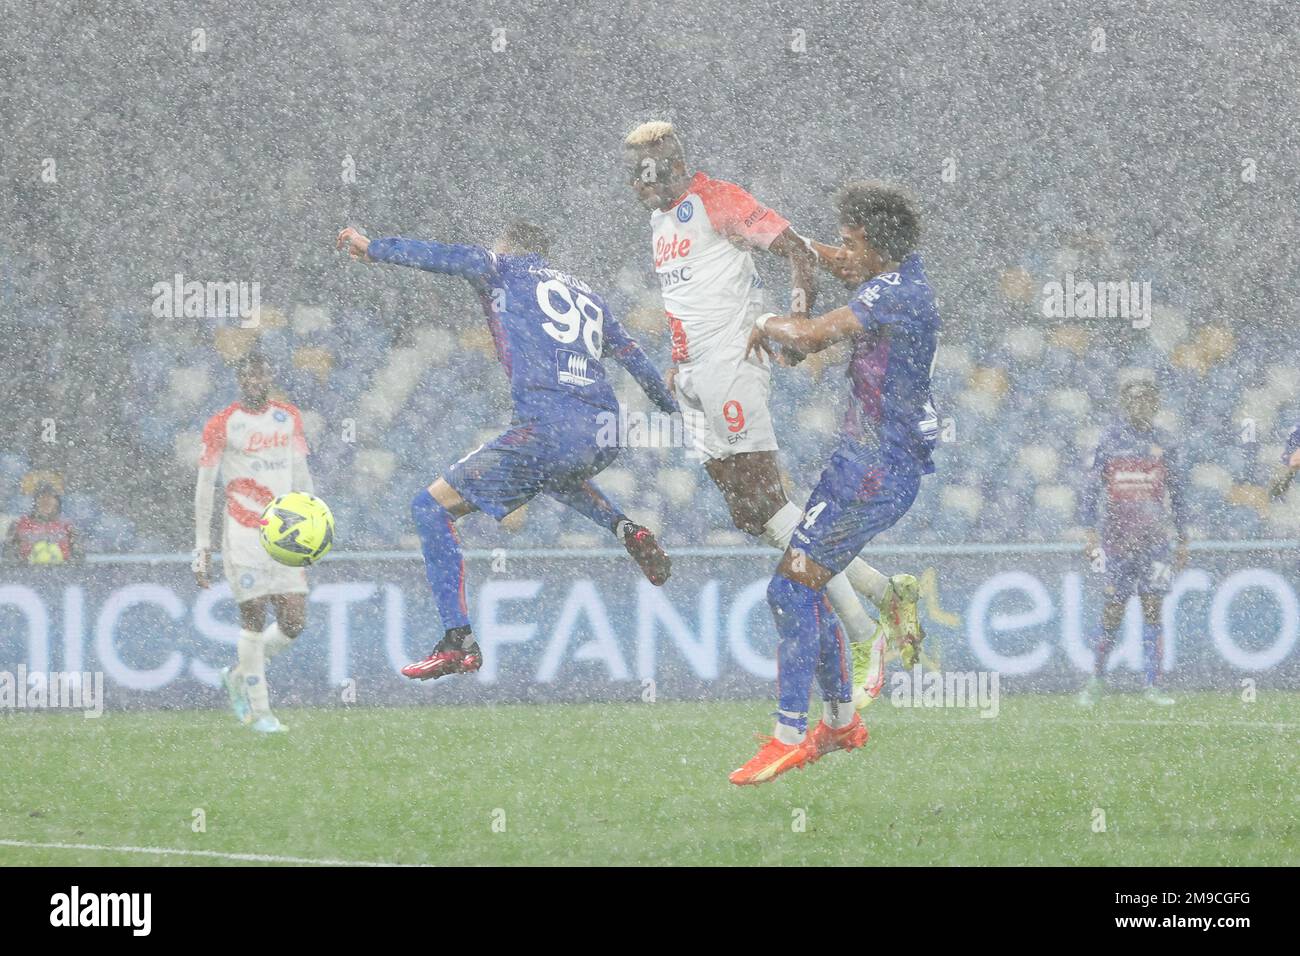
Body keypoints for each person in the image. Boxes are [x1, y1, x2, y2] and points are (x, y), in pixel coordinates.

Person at [621, 122, 921, 700]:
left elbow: (797, 250)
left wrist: (794, 319)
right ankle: (885, 593)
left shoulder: (719, 199)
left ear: (675, 165)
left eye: (651, 173)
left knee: (765, 500)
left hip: (733, 362)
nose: (644, 187)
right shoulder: (661, 220)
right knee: (750, 514)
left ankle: (865, 632)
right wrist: (678, 361)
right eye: (636, 177)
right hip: (692, 375)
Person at [336, 220, 677, 680]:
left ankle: (459, 641)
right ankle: (624, 528)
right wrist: (672, 405)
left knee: (429, 508)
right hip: (604, 431)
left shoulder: (504, 268)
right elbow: (635, 357)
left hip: (549, 426)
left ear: (511, 245)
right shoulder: (588, 297)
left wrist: (374, 248)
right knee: (550, 471)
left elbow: (447, 257)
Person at [730, 181, 940, 785]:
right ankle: (842, 722)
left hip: (877, 473)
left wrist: (761, 319)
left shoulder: (896, 294)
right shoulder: (896, 278)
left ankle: (789, 736)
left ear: (875, 245)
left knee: (790, 591)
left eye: (849, 242)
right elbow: (837, 273)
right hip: (859, 464)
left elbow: (813, 335)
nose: (841, 252)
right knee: (802, 585)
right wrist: (790, 243)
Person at [195, 352, 313, 733]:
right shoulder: (223, 424)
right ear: (240, 380)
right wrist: (202, 545)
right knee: (253, 616)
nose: (256, 381)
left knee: (293, 621)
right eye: (249, 375)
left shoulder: (289, 417)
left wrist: (312, 521)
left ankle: (236, 675)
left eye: (262, 374)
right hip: (244, 532)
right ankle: (261, 713)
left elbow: (301, 473)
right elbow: (204, 487)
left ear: (270, 377)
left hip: (286, 531)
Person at [1077, 378, 1187, 707]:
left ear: (1155, 404)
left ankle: (1153, 685)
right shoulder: (1110, 442)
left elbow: (1179, 495)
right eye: (1133, 399)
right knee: (1113, 609)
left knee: (1153, 609)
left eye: (1146, 399)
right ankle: (1096, 680)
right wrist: (1089, 533)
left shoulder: (1165, 443)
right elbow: (1089, 490)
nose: (1140, 405)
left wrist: (1183, 538)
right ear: (1124, 404)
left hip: (1155, 542)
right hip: (1118, 542)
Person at [4, 481, 82, 565]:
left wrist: (65, 564)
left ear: (57, 503)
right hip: (26, 572)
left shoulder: (68, 527)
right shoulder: (18, 524)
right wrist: (23, 563)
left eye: (50, 498)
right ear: (36, 502)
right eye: (42, 497)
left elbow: (79, 556)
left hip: (61, 572)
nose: (46, 500)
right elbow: (8, 554)